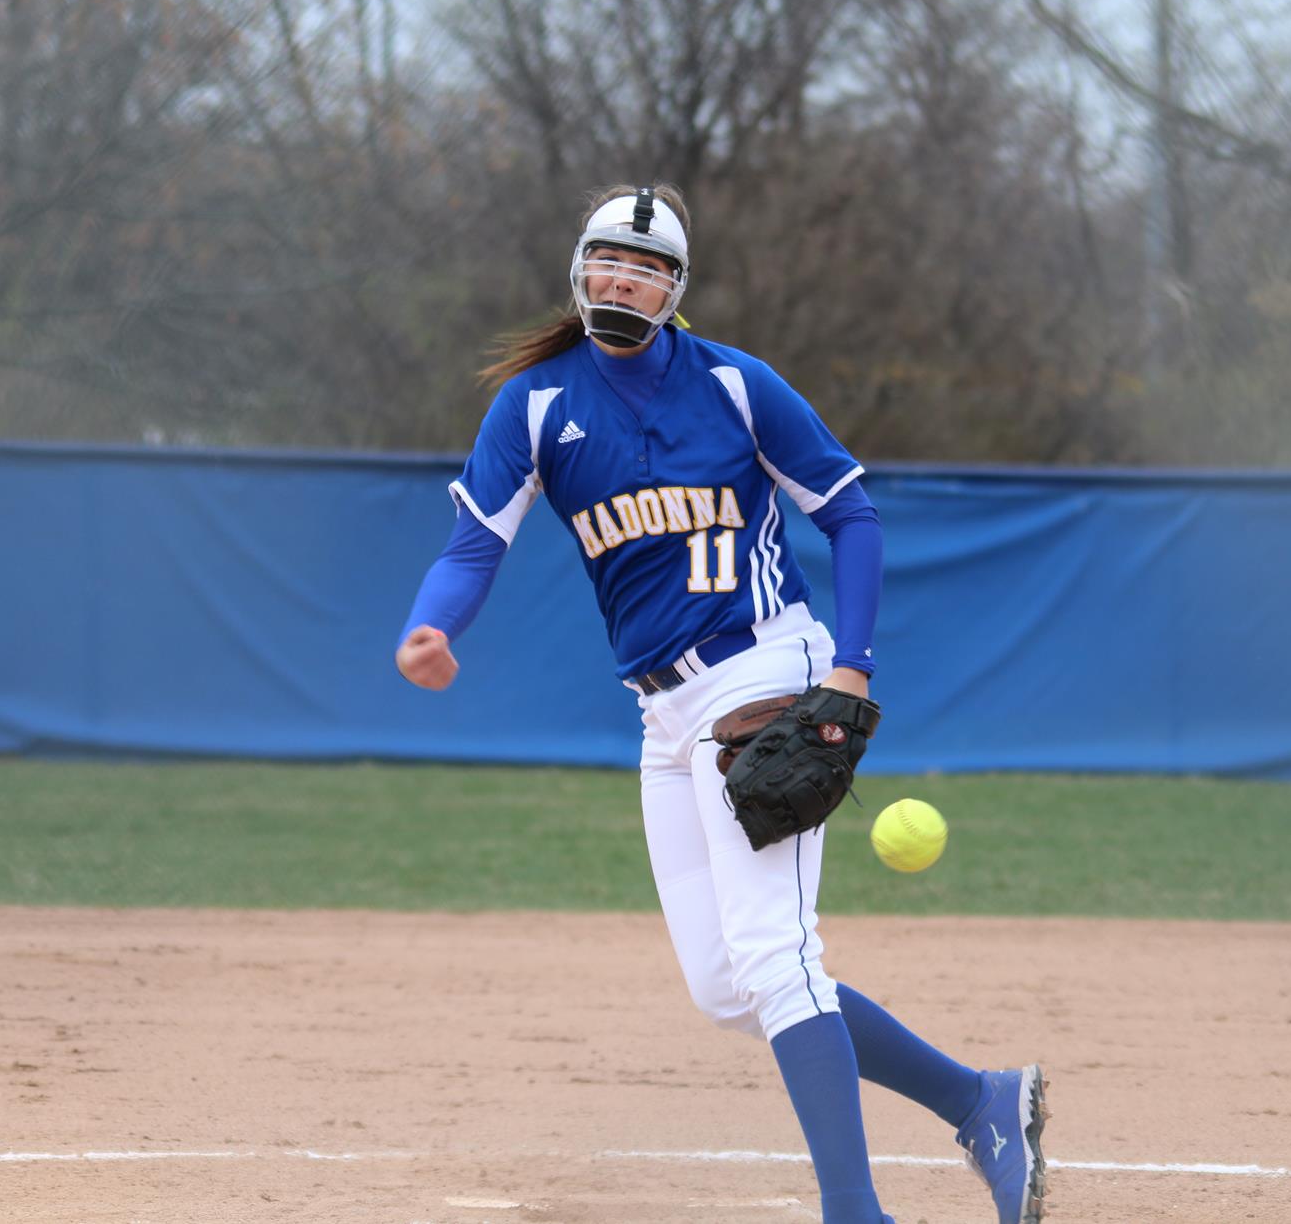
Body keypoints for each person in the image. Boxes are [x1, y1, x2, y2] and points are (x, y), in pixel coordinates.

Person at [393, 183, 1048, 1224]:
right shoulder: (536, 406)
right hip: (661, 714)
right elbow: (474, 543)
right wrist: (434, 628)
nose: (624, 279)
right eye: (609, 259)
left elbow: (851, 515)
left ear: (674, 291)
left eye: (647, 267)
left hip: (758, 679)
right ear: (578, 269)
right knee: (726, 987)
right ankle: (977, 1099)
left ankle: (855, 1210)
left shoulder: (736, 388)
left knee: (777, 958)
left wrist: (852, 666)